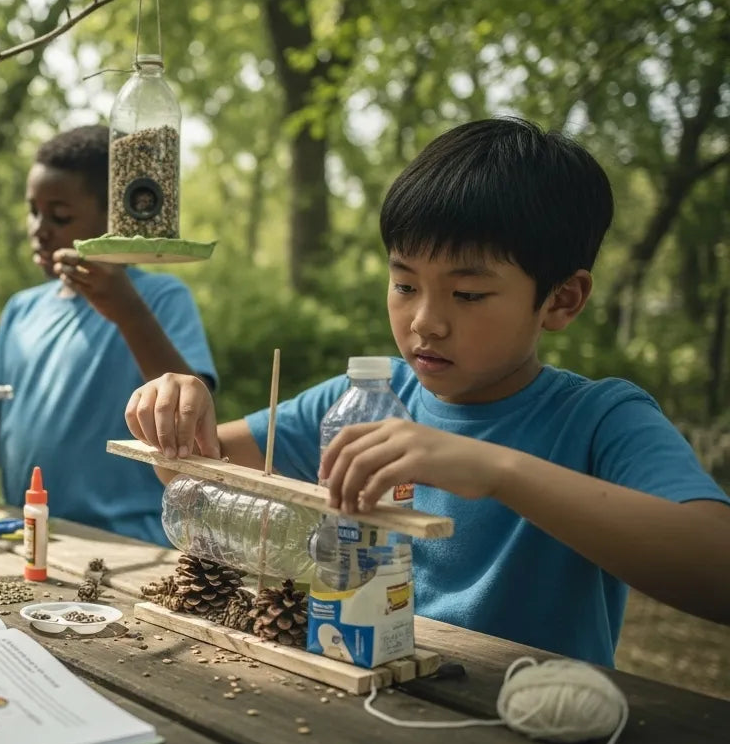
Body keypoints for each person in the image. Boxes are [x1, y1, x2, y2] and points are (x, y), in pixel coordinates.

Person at [125, 118, 730, 663]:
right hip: (362, 702)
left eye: (467, 294)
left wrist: (496, 470)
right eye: (404, 284)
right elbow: (191, 477)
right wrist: (180, 410)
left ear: (562, 299)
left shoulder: (600, 419)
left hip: (519, 726)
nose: (425, 322)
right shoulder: (361, 401)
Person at [0, 125, 216, 544]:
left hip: (128, 543)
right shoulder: (23, 309)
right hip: (29, 535)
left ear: (111, 219)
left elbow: (193, 411)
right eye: (33, 211)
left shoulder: (160, 298)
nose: (39, 228)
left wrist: (127, 311)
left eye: (59, 216)